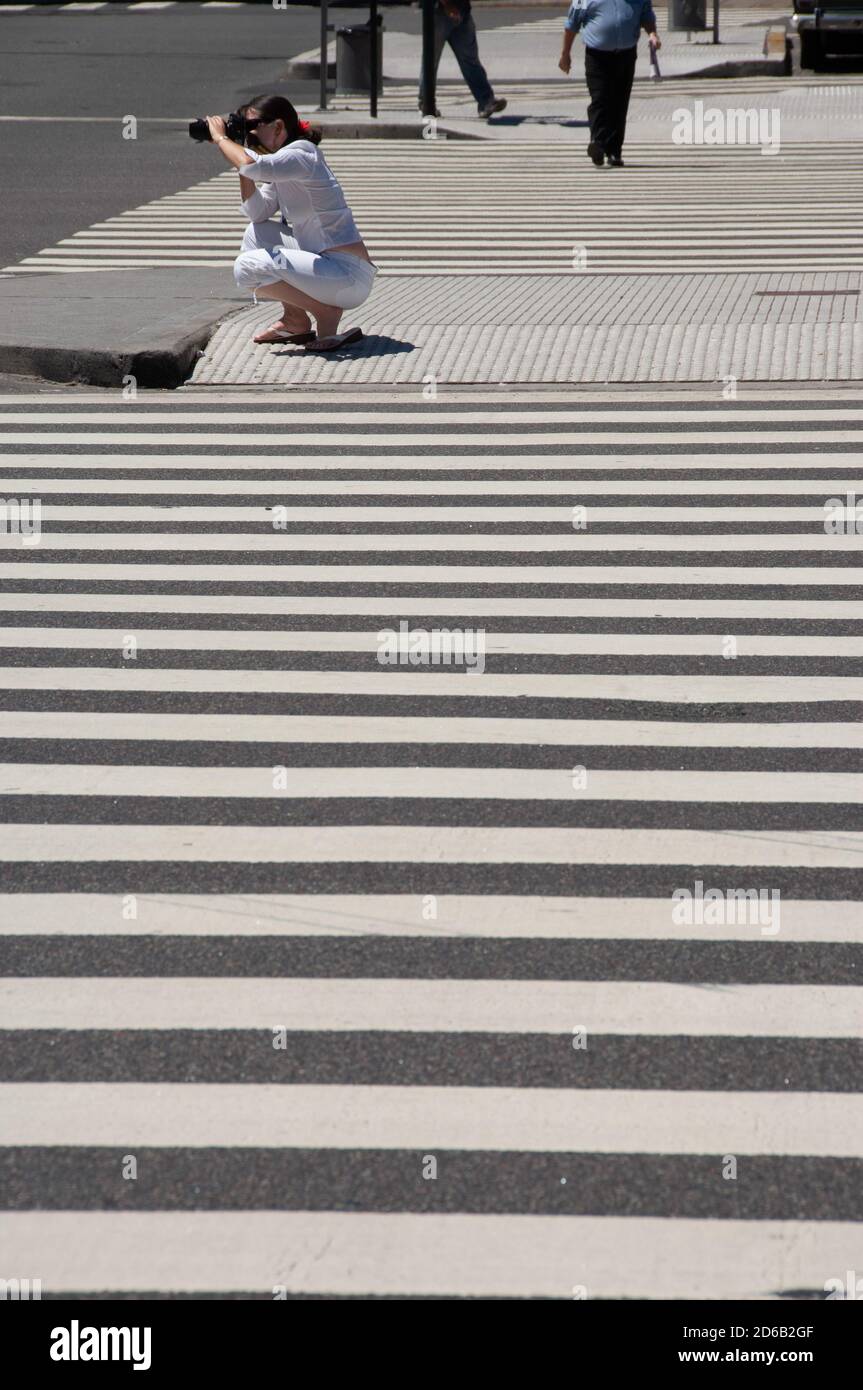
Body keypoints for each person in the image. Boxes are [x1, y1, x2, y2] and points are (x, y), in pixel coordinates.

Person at [207, 94, 377, 352]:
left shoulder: (301, 155)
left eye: (253, 127)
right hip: (325, 268)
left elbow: (252, 164)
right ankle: (296, 320)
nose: (249, 134)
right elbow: (256, 212)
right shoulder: (283, 164)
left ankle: (325, 312)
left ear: (278, 127)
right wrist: (242, 162)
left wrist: (222, 139)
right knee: (256, 233)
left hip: (347, 277)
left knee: (246, 267)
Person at [558, 0, 660, 167]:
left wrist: (653, 34)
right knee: (600, 98)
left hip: (626, 55)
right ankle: (597, 143)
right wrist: (565, 54)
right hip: (597, 56)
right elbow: (572, 23)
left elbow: (646, 15)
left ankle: (614, 151)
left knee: (620, 102)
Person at [419, 0, 507, 120]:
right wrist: (447, 5)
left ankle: (486, 101)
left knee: (470, 60)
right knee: (431, 61)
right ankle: (426, 104)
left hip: (462, 9)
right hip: (439, 12)